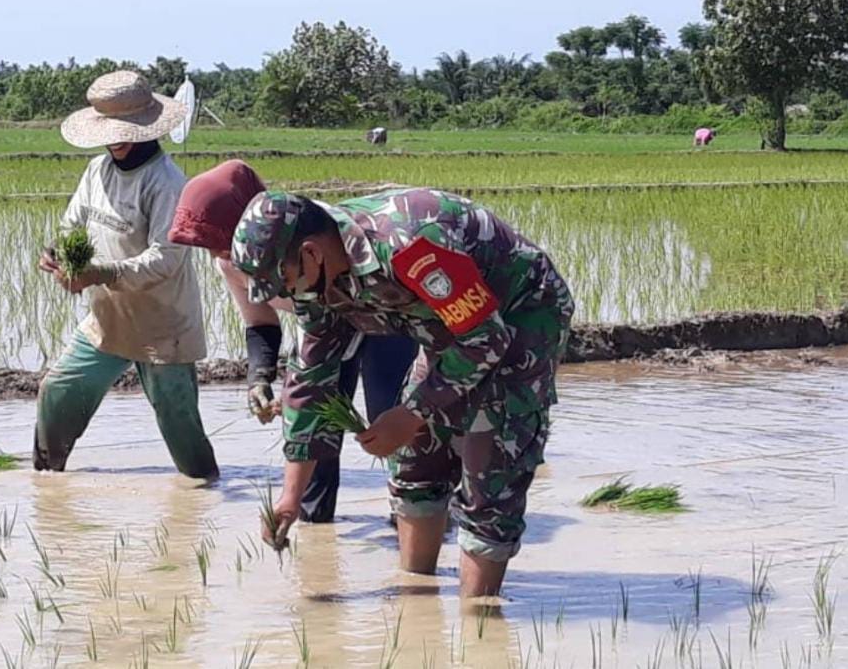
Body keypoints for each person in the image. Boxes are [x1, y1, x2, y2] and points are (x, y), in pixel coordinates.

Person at [232, 188, 574, 597]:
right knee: (415, 456)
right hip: (447, 327)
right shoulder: (313, 281)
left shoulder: (410, 246)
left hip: (519, 315)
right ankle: (416, 599)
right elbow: (311, 378)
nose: (286, 294)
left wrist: (412, 413)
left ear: (310, 253)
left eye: (283, 280)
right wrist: (291, 496)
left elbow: (485, 338)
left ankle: (478, 621)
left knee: (491, 468)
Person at [168, 159, 417, 521]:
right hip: (322, 331)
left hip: (380, 318)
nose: (216, 254)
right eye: (205, 246)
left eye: (218, 241)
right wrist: (260, 378)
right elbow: (260, 323)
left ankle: (414, 513)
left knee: (389, 415)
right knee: (315, 424)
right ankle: (313, 528)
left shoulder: (300, 244)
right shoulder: (227, 263)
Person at [33, 70, 218, 479]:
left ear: (148, 127)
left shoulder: (167, 183)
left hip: (162, 324)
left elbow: (167, 259)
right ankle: (46, 478)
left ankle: (203, 498)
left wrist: (100, 273)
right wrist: (60, 255)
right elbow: (72, 226)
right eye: (110, 130)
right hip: (107, 320)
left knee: (181, 429)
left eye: (127, 130)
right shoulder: (97, 171)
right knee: (58, 390)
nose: (117, 139)